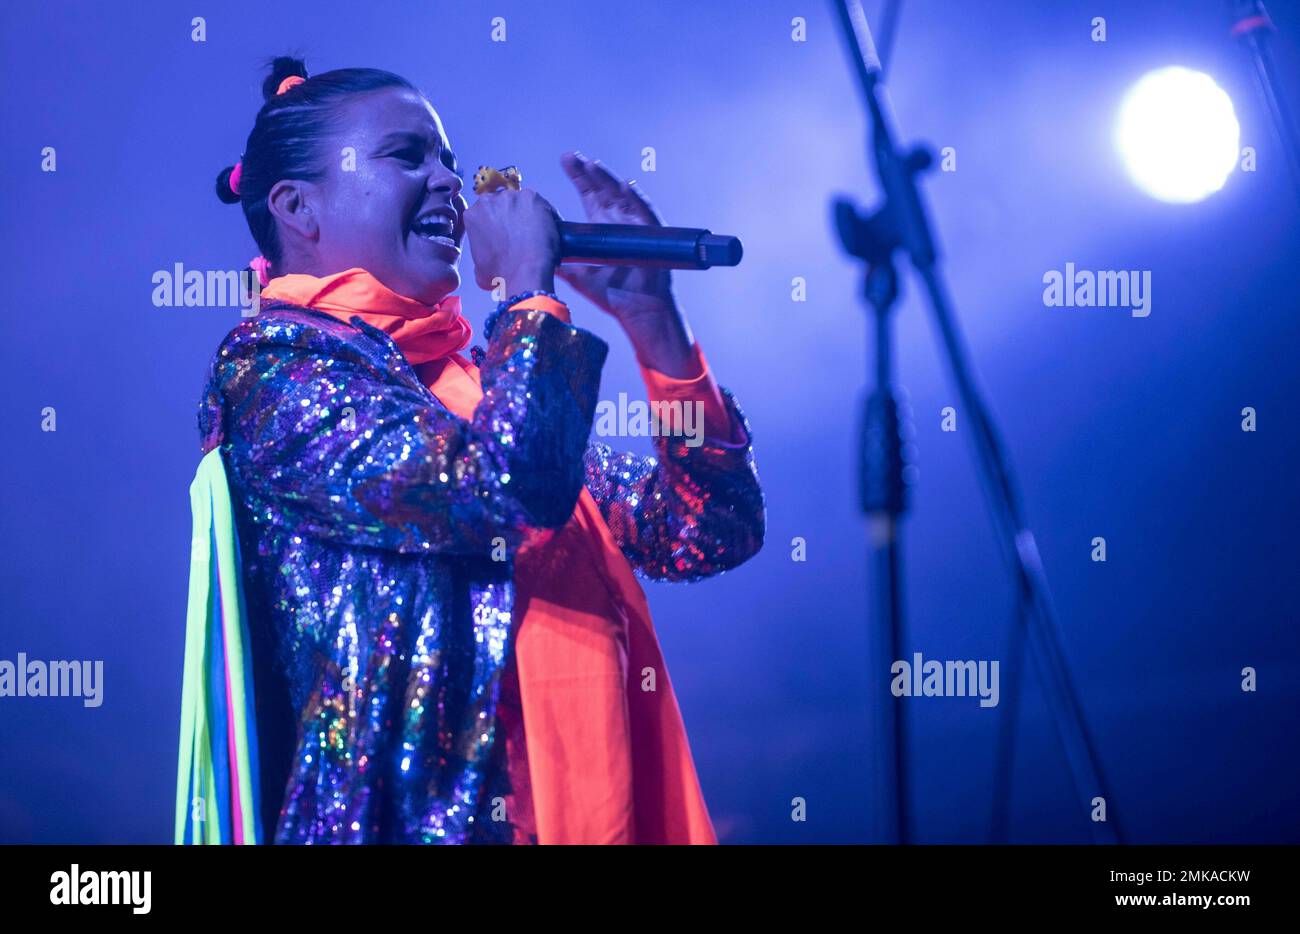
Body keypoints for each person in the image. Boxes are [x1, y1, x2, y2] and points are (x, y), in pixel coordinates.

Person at [187, 57, 764, 844]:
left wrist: (653, 322)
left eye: (450, 163)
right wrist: (529, 289)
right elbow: (502, 491)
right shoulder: (278, 374)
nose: (451, 185)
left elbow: (704, 531)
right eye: (408, 156)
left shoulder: (470, 386)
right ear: (298, 207)